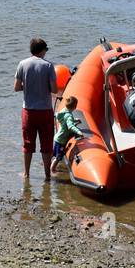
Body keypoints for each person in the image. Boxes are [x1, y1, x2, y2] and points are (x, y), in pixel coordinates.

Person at [14, 38, 57, 180]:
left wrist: (28, 87)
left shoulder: (22, 64)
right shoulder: (49, 66)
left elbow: (16, 87)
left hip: (28, 111)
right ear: (42, 50)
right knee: (46, 144)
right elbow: (54, 89)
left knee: (28, 144)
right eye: (46, 50)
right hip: (45, 111)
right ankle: (47, 175)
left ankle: (26, 174)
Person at [50, 94, 90, 174]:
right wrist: (79, 132)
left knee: (54, 153)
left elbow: (66, 119)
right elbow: (70, 126)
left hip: (57, 137)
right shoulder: (69, 116)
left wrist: (75, 120)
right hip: (61, 140)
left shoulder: (64, 111)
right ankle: (53, 169)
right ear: (75, 106)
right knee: (58, 157)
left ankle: (47, 163)